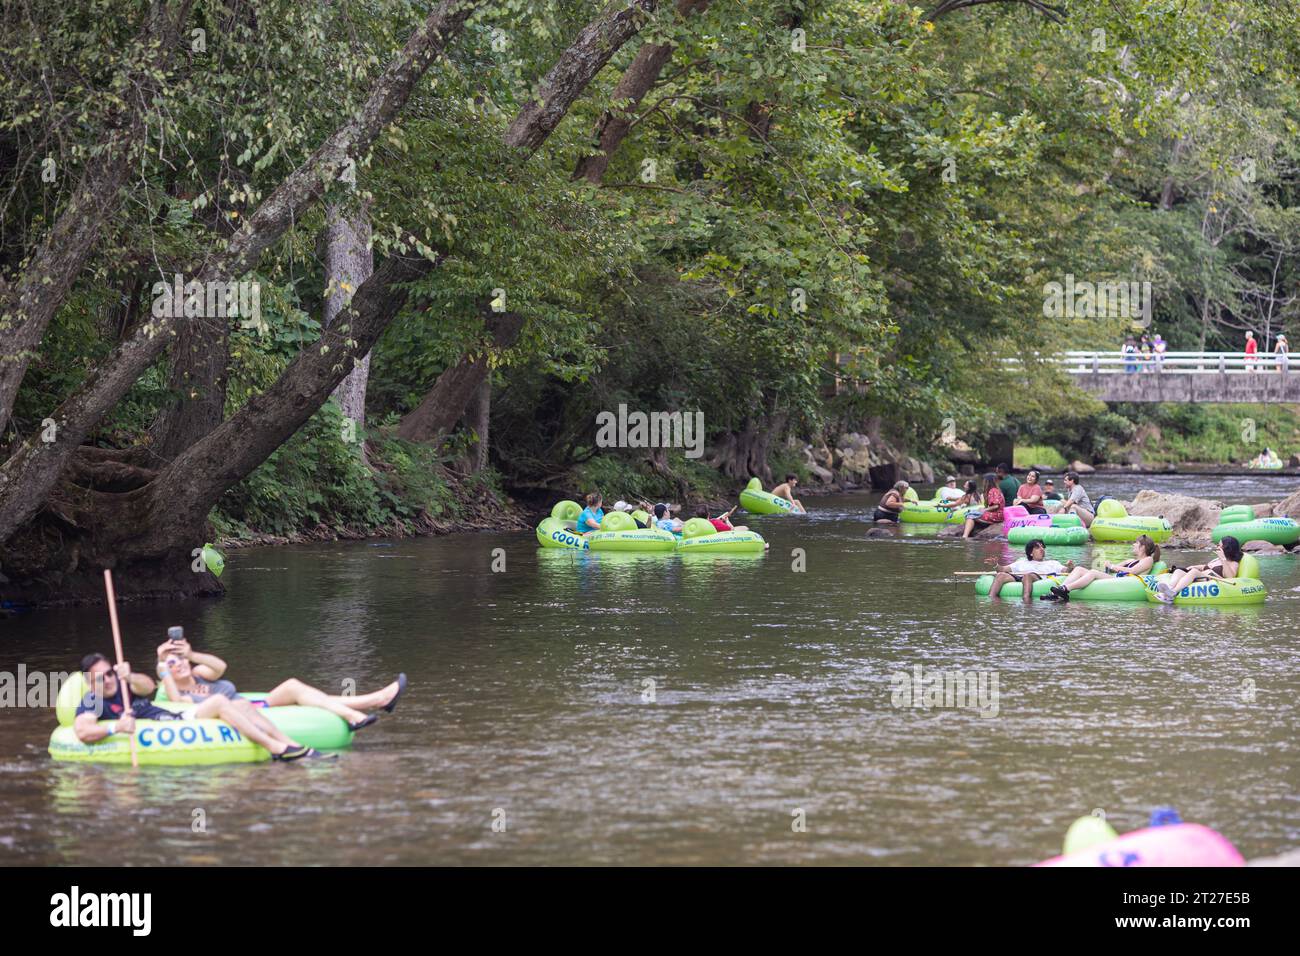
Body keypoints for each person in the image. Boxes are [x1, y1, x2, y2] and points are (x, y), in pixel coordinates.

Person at [72, 654, 327, 761]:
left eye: (109, 674)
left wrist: (128, 676)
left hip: (172, 715)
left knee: (241, 704)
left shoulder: (124, 685)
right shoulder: (93, 701)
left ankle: (292, 745)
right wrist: (115, 728)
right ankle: (276, 749)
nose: (106, 680)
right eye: (99, 677)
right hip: (166, 726)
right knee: (218, 701)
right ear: (88, 681)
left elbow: (147, 686)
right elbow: (83, 732)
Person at [155, 632, 405, 732]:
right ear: (168, 672)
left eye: (182, 660)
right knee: (299, 691)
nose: (181, 664)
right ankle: (368, 707)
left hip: (254, 704)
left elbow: (220, 667)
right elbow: (176, 701)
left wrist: (189, 654)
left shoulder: (200, 673)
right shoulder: (179, 693)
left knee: (296, 687)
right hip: (247, 713)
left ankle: (374, 702)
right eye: (174, 663)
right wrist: (163, 665)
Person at [1043, 535, 1160, 602]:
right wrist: (1108, 564)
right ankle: (1057, 593)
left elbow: (1134, 571)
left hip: (1126, 582)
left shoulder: (1148, 560)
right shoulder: (1131, 560)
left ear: (1143, 547)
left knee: (1093, 572)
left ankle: (1066, 589)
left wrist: (1113, 566)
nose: (1133, 545)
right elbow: (1114, 568)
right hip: (1117, 578)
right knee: (1078, 569)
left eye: (1136, 543)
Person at [1154, 536, 1242, 604]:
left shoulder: (1233, 562)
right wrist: (1192, 566)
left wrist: (1223, 559)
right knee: (1179, 571)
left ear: (1227, 548)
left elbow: (1230, 576)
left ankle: (1174, 592)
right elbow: (1205, 567)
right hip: (1203, 576)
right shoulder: (1216, 560)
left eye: (1219, 545)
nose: (1217, 546)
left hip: (1213, 580)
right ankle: (1168, 590)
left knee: (1194, 572)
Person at [985, 539, 1073, 604]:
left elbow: (1066, 571)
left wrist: (1069, 567)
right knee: (1001, 575)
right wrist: (995, 565)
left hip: (1038, 579)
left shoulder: (1052, 563)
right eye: (1037, 547)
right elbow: (1003, 569)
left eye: (1042, 547)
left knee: (1028, 576)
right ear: (1031, 553)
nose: (1042, 549)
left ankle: (1026, 602)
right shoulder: (1021, 562)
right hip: (1020, 578)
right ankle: (989, 601)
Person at [961, 474, 1005, 538]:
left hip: (996, 516)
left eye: (984, 481)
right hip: (999, 515)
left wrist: (984, 510)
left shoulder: (993, 491)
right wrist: (984, 508)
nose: (983, 482)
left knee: (970, 515)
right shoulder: (996, 490)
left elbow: (996, 506)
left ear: (988, 482)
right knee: (974, 512)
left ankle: (965, 536)